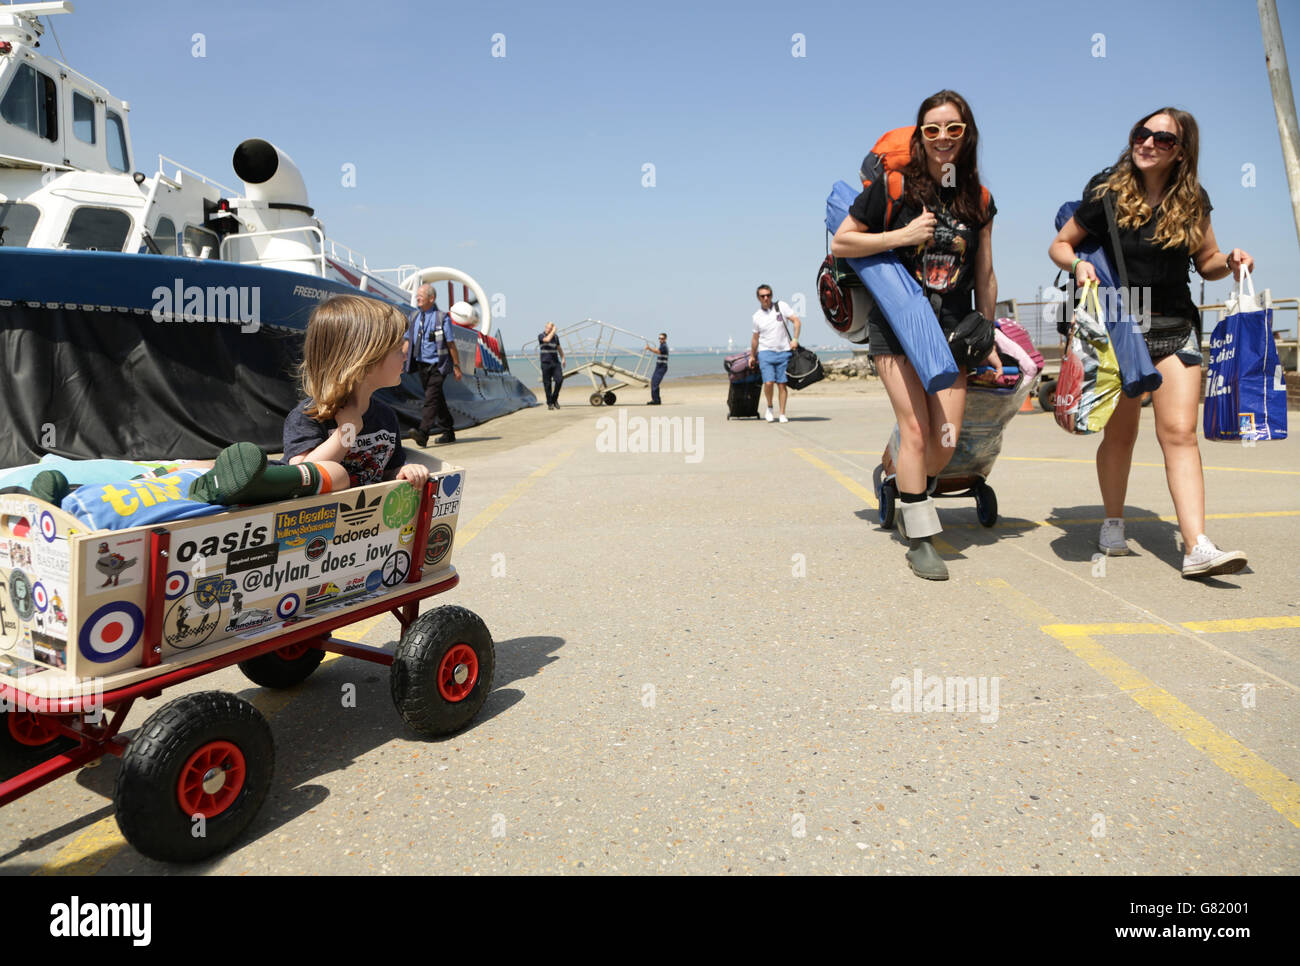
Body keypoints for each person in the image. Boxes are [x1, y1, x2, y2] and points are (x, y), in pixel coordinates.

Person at [1049, 107, 1252, 579]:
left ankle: (1197, 545)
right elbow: (1062, 243)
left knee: (1180, 434)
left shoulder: (1193, 201)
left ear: (1180, 151)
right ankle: (1113, 522)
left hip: (1175, 326)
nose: (1149, 142)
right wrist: (1077, 265)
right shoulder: (1108, 194)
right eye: (1144, 133)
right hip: (1122, 331)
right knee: (1121, 435)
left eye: (1163, 139)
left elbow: (1207, 263)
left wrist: (1233, 261)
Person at [830, 89, 1001, 581]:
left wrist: (986, 333)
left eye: (954, 129)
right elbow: (844, 240)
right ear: (920, 136)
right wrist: (901, 237)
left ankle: (899, 478)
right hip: (898, 326)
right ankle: (920, 535)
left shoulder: (980, 200)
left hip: (952, 330)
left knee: (943, 443)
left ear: (967, 136)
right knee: (917, 431)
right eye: (932, 130)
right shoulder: (895, 185)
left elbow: (986, 274)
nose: (943, 138)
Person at [188, 295, 429, 505]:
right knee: (333, 473)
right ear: (364, 361)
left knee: (338, 475)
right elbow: (301, 475)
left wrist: (403, 472)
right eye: (398, 349)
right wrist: (346, 431)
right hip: (294, 504)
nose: (405, 354)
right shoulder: (309, 416)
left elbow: (386, 473)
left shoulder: (386, 417)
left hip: (348, 520)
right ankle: (190, 471)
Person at [406, 284, 463, 446]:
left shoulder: (442, 317)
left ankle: (423, 433)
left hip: (439, 365)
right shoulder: (414, 317)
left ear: (431, 298)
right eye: (417, 295)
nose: (417, 298)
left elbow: (451, 343)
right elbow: (408, 341)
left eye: (421, 295)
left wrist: (457, 366)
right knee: (437, 399)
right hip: (421, 365)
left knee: (430, 398)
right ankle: (448, 431)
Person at [748, 286, 800, 422]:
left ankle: (782, 413)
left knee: (782, 384)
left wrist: (795, 339)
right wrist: (752, 356)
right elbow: (755, 338)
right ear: (758, 298)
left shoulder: (781, 306)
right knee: (769, 382)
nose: (766, 298)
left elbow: (796, 321)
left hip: (784, 351)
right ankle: (770, 407)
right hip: (765, 352)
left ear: (771, 295)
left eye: (768, 295)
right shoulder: (756, 316)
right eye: (763, 296)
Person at [539, 321, 566, 409]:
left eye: (550, 328)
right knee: (547, 384)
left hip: (555, 363)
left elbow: (559, 348)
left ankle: (554, 399)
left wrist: (563, 358)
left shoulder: (556, 337)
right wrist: (553, 331)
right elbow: (547, 340)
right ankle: (550, 403)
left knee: (559, 380)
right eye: (547, 328)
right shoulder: (541, 336)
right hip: (545, 363)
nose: (548, 329)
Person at [645, 332, 669, 404]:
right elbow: (658, 350)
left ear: (665, 339)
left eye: (662, 338)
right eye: (659, 338)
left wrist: (649, 348)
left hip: (662, 367)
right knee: (654, 382)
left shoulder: (664, 346)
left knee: (655, 383)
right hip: (659, 366)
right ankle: (657, 400)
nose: (660, 340)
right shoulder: (662, 345)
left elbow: (658, 351)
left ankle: (655, 400)